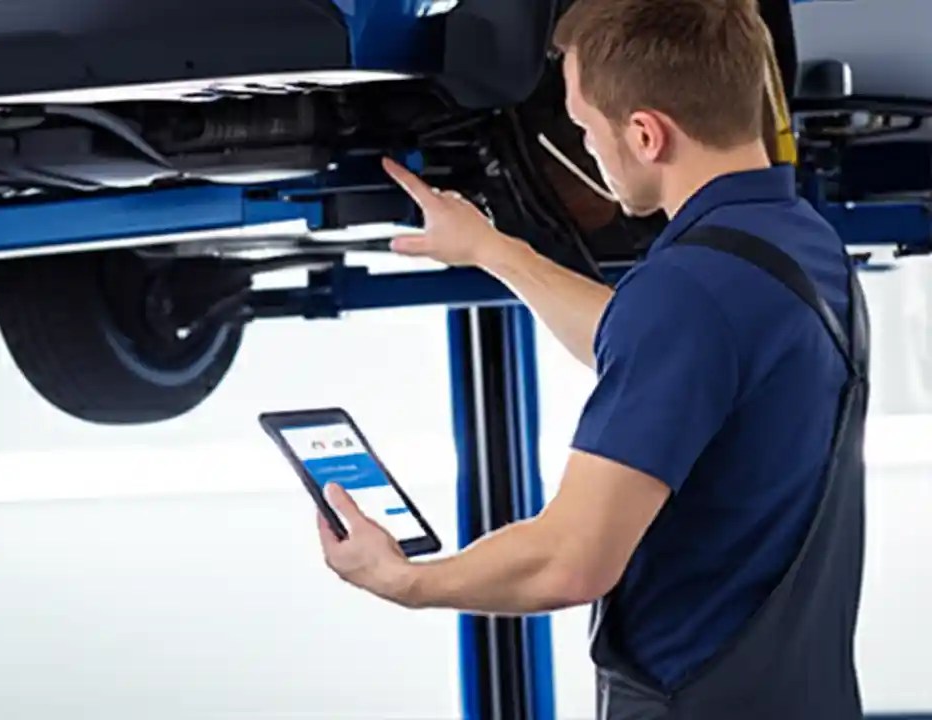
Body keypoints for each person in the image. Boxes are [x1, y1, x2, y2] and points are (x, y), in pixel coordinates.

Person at [315, 0, 869, 717]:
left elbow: (569, 559)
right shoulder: (800, 245)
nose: (584, 148)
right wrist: (492, 250)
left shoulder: (687, 294)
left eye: (582, 128)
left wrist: (408, 581)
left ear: (645, 134)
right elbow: (650, 344)